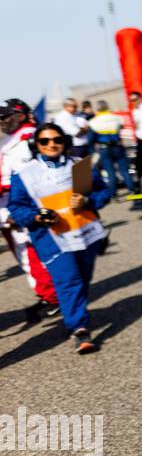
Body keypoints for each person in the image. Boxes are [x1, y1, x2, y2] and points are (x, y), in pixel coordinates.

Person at [8, 123, 112, 353]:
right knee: (69, 281)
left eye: (57, 140)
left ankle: (75, 313)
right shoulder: (24, 173)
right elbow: (16, 207)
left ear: (65, 142)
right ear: (36, 145)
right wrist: (36, 215)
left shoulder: (79, 166)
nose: (51, 144)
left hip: (86, 233)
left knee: (82, 279)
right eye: (44, 141)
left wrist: (88, 201)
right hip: (50, 237)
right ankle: (80, 329)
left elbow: (103, 191)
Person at [0, 102, 60, 318]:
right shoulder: (10, 139)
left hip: (17, 203)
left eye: (8, 117)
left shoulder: (27, 137)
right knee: (24, 251)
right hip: (9, 205)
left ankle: (53, 296)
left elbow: (27, 175)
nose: (4, 122)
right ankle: (48, 294)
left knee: (30, 251)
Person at [87, 100, 137, 196]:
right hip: (118, 146)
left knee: (110, 172)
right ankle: (132, 189)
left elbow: (90, 139)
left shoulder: (93, 122)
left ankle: (113, 193)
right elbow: (121, 128)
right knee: (125, 170)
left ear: (97, 109)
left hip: (104, 148)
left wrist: (92, 151)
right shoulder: (117, 118)